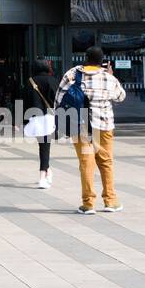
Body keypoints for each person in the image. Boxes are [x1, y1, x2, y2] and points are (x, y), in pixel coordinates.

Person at [56, 47, 126, 214]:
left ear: (85, 58)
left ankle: (88, 204)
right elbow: (120, 97)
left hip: (81, 126)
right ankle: (110, 201)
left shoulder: (72, 74)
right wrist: (111, 74)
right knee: (106, 162)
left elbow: (59, 98)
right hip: (104, 126)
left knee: (87, 163)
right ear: (102, 61)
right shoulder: (108, 77)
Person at [24, 59, 60, 189]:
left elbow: (24, 101)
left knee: (43, 146)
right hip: (48, 118)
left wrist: (21, 120)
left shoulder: (30, 81)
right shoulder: (52, 80)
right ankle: (42, 177)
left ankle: (47, 172)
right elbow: (58, 100)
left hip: (35, 119)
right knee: (45, 147)